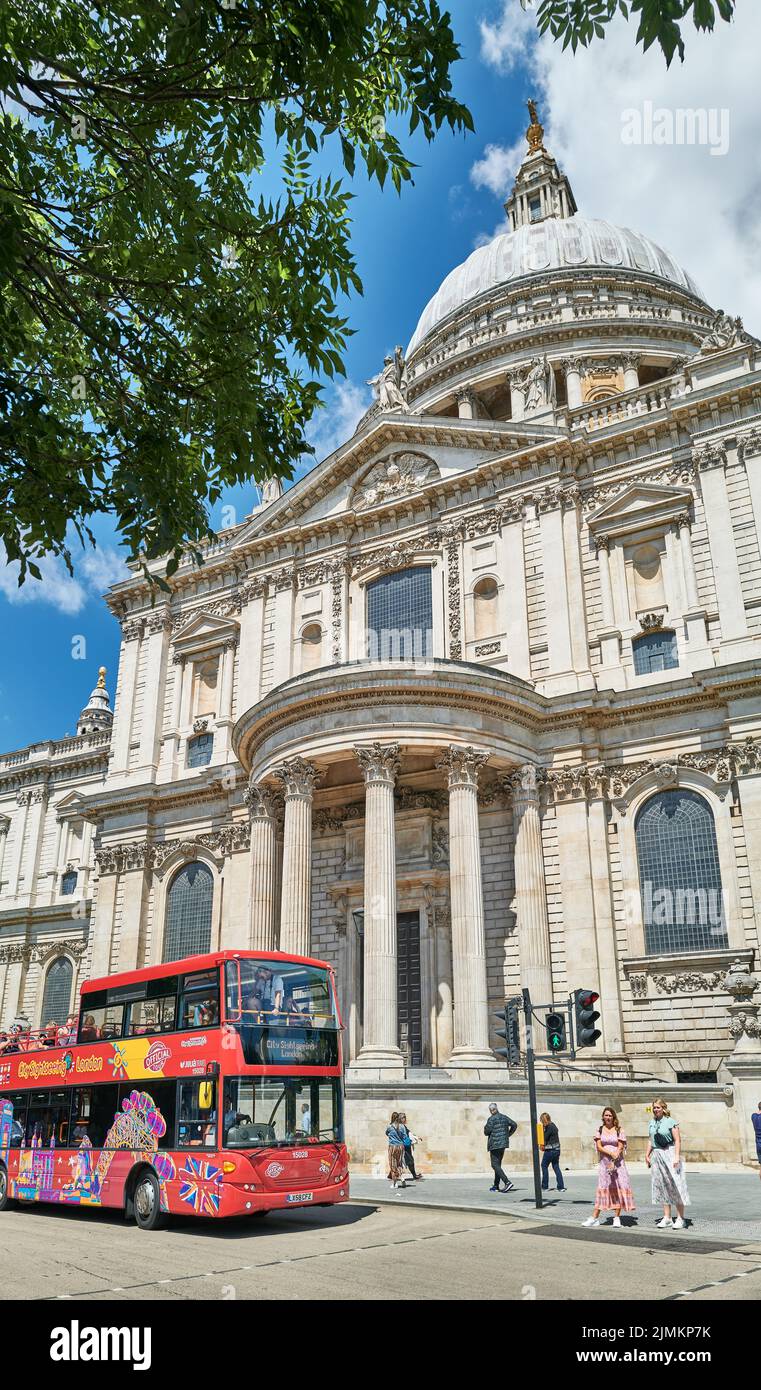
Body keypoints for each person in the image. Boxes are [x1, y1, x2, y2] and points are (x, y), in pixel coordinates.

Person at [583, 1107, 635, 1228]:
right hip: (604, 1164)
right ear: (603, 1117)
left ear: (614, 1117)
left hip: (618, 1164)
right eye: (606, 1115)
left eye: (610, 1115)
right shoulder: (600, 1129)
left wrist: (614, 1158)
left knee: (617, 1188)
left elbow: (620, 1147)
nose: (608, 1117)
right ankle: (594, 1218)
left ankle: (616, 1218)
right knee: (603, 1188)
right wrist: (610, 1154)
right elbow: (599, 1146)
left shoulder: (619, 1130)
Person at [646, 1098, 690, 1229]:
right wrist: (646, 1154)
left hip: (669, 1153)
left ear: (663, 1108)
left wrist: (676, 1156)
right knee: (662, 1185)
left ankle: (681, 1218)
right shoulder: (652, 1122)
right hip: (657, 1154)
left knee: (676, 1185)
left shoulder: (671, 1121)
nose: (655, 1109)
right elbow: (650, 1139)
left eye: (658, 1107)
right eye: (654, 1107)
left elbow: (677, 1140)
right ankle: (667, 1217)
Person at [484, 1102, 517, 1193]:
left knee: (494, 1165)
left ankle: (507, 1182)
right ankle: (496, 1185)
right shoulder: (504, 1117)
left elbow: (486, 1132)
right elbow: (514, 1124)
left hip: (494, 1145)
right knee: (497, 1165)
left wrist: (485, 1127)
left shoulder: (491, 1119)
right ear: (497, 1108)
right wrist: (508, 1135)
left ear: (491, 1110)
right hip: (503, 1144)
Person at [539, 1111, 565, 1192]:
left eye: (542, 1121)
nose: (542, 1123)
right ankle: (561, 1187)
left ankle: (544, 1186)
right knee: (556, 1167)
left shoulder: (549, 1127)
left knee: (544, 1165)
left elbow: (544, 1138)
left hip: (550, 1151)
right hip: (557, 1150)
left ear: (545, 1120)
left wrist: (541, 1131)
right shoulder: (554, 1125)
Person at [386, 1111, 407, 1191]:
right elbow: (405, 1137)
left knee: (393, 1165)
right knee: (399, 1163)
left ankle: (394, 1184)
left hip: (392, 1146)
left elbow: (387, 1133)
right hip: (401, 1146)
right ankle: (402, 1177)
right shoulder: (402, 1126)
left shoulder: (390, 1126)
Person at [398, 1112, 422, 1181]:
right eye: (404, 1118)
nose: (405, 1119)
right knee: (408, 1161)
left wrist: (416, 1137)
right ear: (401, 1119)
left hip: (407, 1146)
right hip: (404, 1146)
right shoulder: (400, 1127)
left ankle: (414, 1175)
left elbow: (410, 1133)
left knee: (408, 1161)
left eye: (405, 1117)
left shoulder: (403, 1126)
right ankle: (414, 1175)